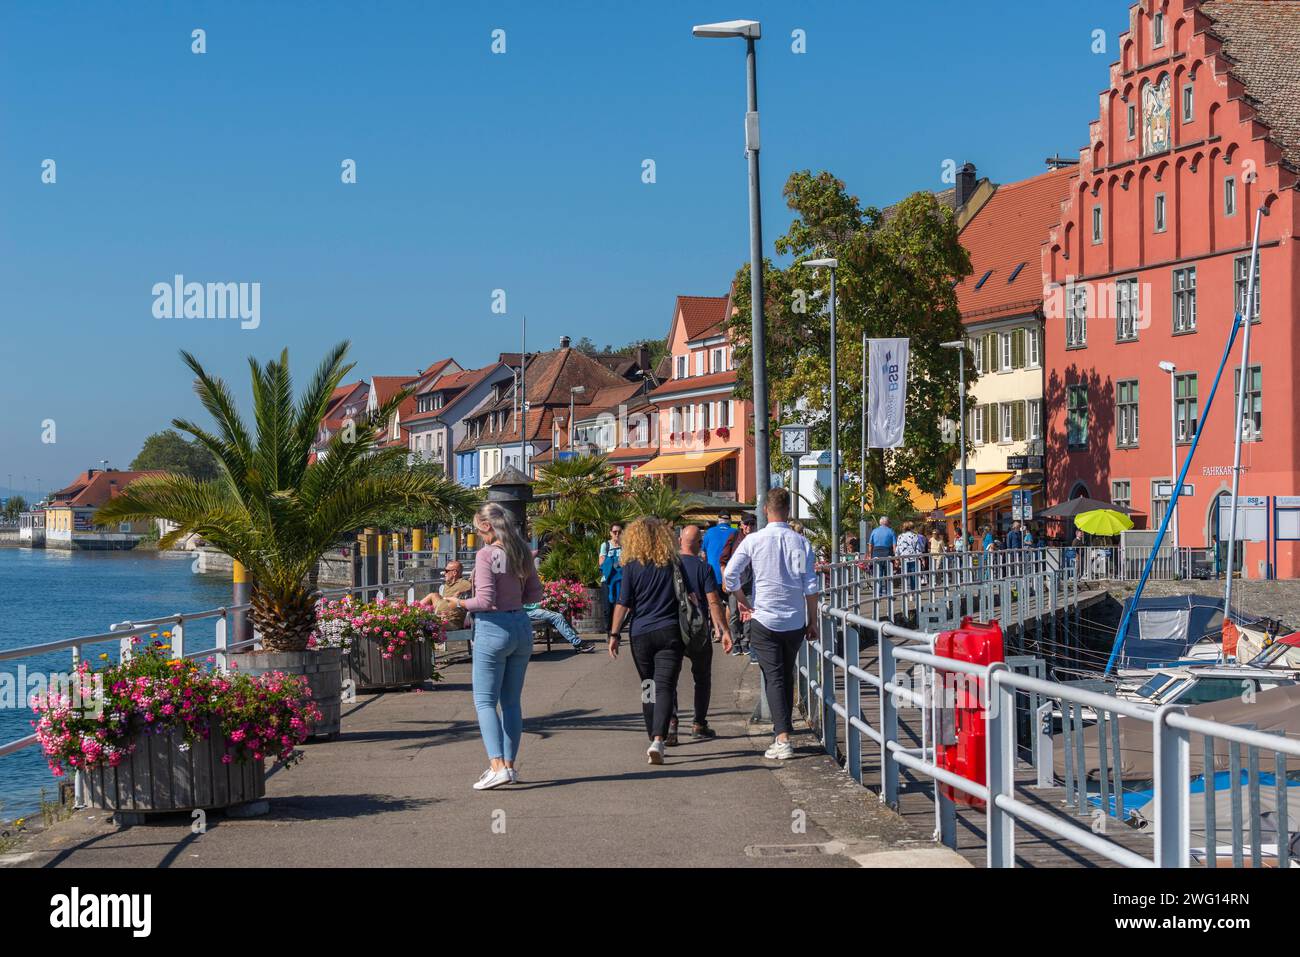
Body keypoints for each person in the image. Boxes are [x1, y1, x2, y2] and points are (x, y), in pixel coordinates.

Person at [445, 504, 544, 790]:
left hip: (492, 629)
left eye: (478, 530)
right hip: (521, 627)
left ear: (487, 526)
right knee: (511, 702)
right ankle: (509, 767)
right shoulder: (522, 551)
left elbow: (485, 600)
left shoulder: (487, 555)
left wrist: (457, 602)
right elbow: (536, 592)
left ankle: (496, 764)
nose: (478, 536)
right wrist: (515, 596)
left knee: (485, 702)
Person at [723, 487, 820, 761]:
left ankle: (782, 737)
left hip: (764, 618)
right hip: (794, 620)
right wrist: (812, 621)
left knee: (774, 677)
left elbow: (730, 574)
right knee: (786, 675)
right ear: (789, 511)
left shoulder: (754, 541)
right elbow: (810, 587)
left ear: (765, 509)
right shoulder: (801, 543)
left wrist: (742, 599)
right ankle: (784, 729)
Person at [608, 517, 711, 765]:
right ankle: (658, 739)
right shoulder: (673, 564)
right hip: (669, 632)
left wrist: (614, 635)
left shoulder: (632, 566)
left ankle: (651, 734)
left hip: (640, 634)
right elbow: (690, 595)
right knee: (665, 686)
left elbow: (623, 603)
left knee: (648, 685)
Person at [669, 524, 733, 742]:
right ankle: (698, 723)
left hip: (673, 628)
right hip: (697, 630)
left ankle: (672, 723)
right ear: (698, 545)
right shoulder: (703, 568)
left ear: (679, 542)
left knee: (670, 678)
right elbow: (713, 602)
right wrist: (722, 629)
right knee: (702, 677)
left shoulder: (670, 566)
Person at [719, 512, 757, 658]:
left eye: (751, 524)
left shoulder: (756, 539)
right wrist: (724, 579)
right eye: (746, 523)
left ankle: (746, 642)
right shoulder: (734, 537)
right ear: (740, 524)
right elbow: (723, 560)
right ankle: (736, 642)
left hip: (751, 583)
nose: (749, 527)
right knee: (734, 613)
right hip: (735, 584)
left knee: (750, 614)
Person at [523, 602, 597, 654]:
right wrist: (538, 604)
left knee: (558, 615)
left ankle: (577, 643)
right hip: (526, 611)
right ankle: (577, 644)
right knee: (557, 617)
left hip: (527, 609)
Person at [418, 559, 471, 629]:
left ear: (454, 573)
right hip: (440, 615)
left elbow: (475, 589)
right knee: (433, 595)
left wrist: (461, 594)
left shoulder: (463, 584)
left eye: (446, 571)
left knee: (421, 624)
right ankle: (410, 611)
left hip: (451, 621)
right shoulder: (448, 584)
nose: (444, 573)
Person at [598, 523, 623, 633]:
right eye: (614, 532)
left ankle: (615, 632)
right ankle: (609, 631)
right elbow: (601, 563)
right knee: (608, 609)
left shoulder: (625, 546)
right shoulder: (605, 546)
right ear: (610, 533)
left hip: (620, 581)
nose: (617, 534)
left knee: (618, 608)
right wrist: (615, 561)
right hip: (607, 581)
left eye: (619, 532)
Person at [868, 516, 896, 596]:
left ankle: (879, 593)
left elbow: (870, 544)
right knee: (888, 574)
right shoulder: (891, 531)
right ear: (887, 522)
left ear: (880, 522)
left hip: (876, 553)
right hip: (888, 553)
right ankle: (888, 592)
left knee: (878, 574)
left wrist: (870, 555)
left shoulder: (874, 531)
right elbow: (894, 546)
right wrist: (896, 558)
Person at [895, 520, 926, 591]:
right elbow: (918, 549)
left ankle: (905, 591)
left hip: (903, 559)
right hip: (913, 559)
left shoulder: (900, 536)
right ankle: (912, 593)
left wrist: (896, 558)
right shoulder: (915, 536)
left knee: (905, 576)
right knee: (913, 577)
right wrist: (922, 559)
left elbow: (898, 548)